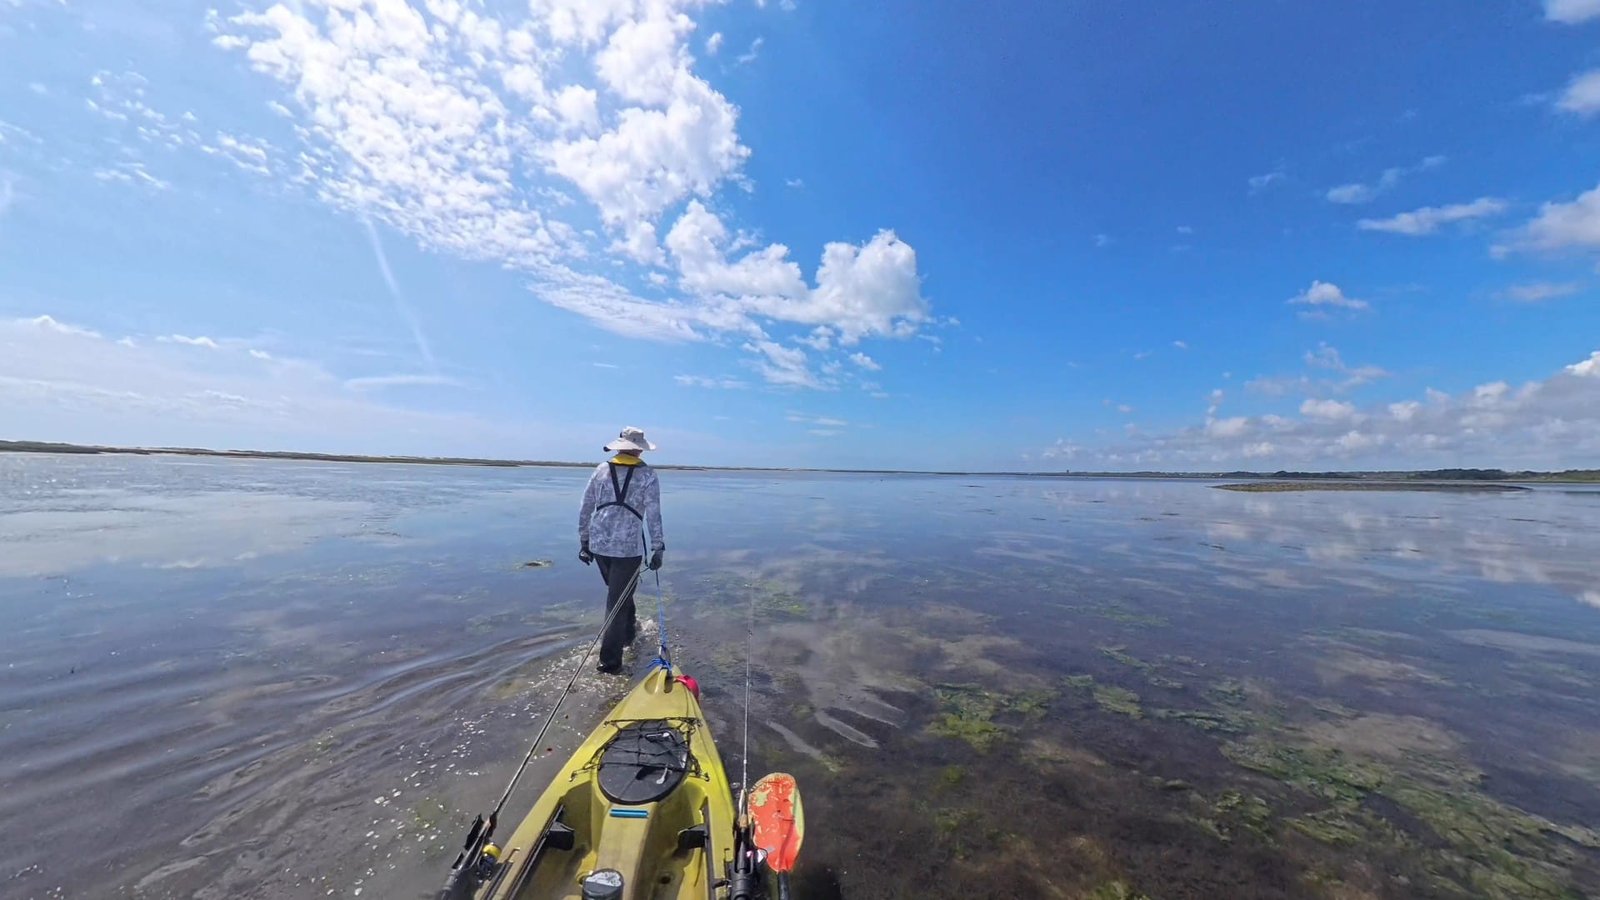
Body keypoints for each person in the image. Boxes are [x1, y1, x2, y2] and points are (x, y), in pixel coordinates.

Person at [578, 426, 666, 675]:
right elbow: (654, 515)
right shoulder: (648, 475)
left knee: (619, 593)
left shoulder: (601, 470)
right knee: (616, 601)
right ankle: (610, 662)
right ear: (638, 449)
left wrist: (584, 542)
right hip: (627, 548)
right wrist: (658, 547)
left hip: (599, 544)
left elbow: (585, 507)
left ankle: (629, 633)